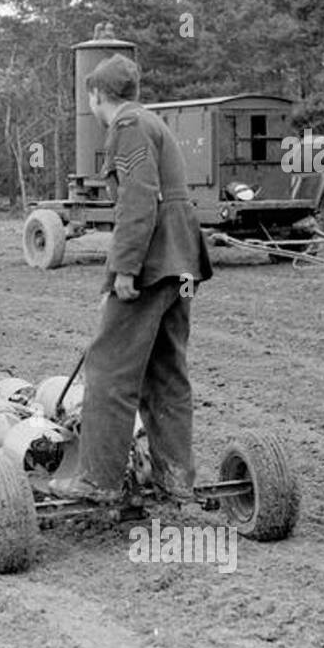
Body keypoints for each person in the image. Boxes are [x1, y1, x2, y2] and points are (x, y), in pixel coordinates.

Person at [51, 54, 214, 510]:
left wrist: (124, 269)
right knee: (166, 372)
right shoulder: (152, 122)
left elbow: (139, 199)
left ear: (96, 95)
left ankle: (98, 479)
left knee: (109, 367)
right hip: (180, 264)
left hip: (153, 262)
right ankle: (175, 477)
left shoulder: (127, 127)